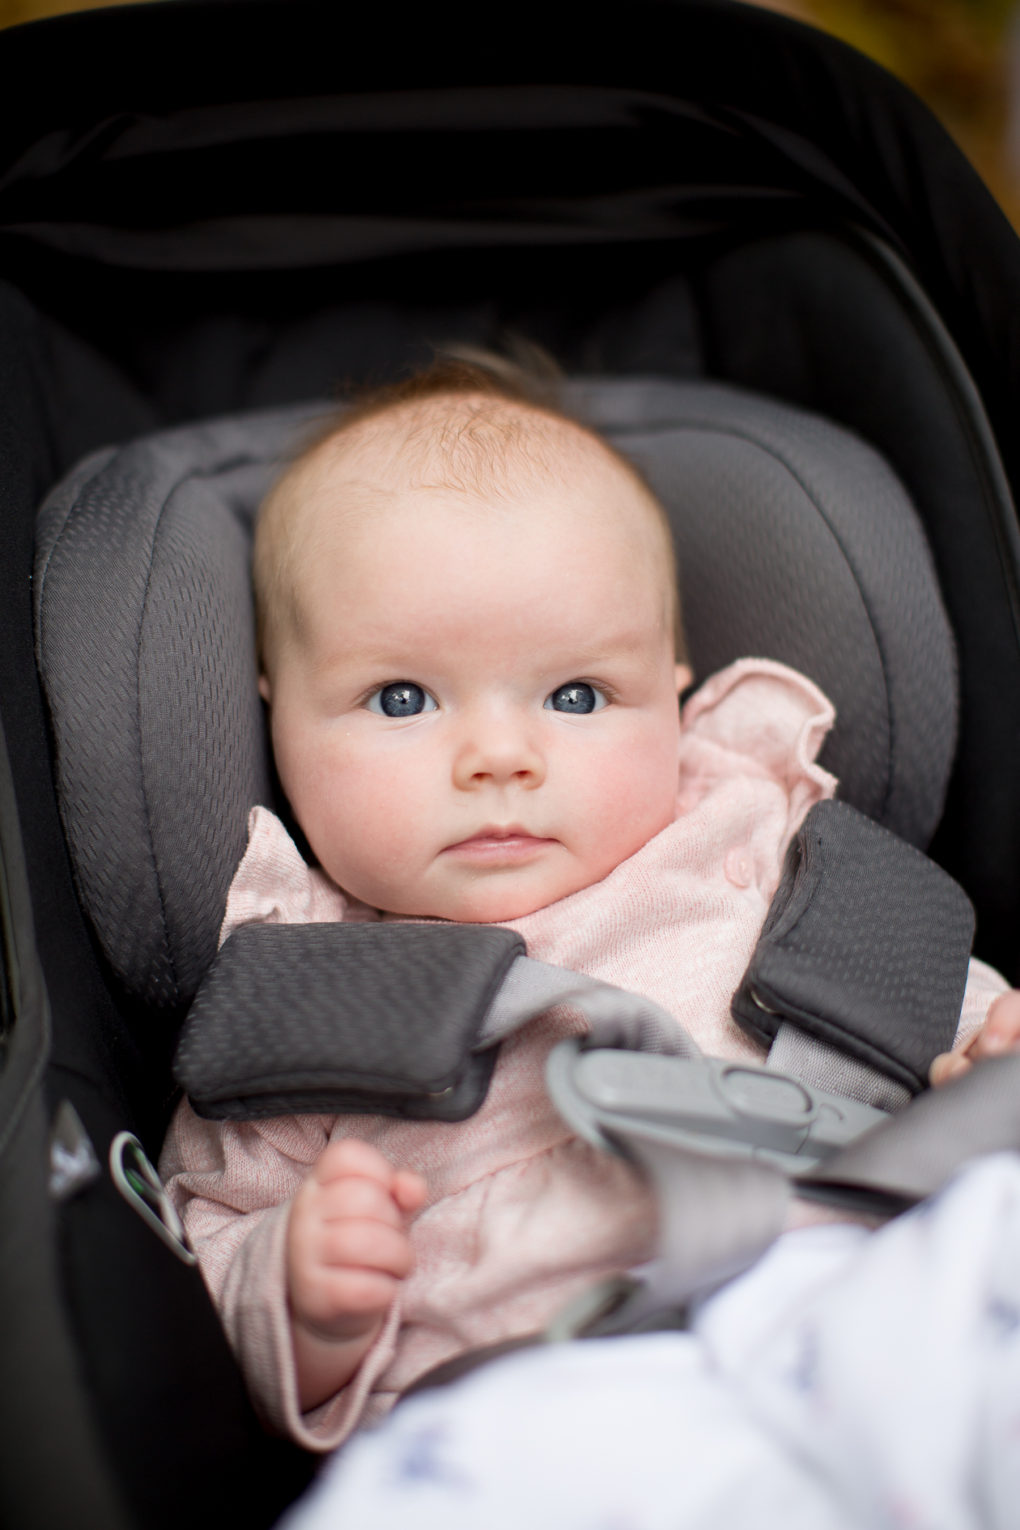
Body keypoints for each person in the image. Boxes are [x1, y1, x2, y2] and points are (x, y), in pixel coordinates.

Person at [159, 357, 1018, 1453]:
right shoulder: (302, 993)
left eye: (576, 695)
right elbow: (219, 1242)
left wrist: (984, 1075)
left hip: (888, 1319)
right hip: (551, 1417)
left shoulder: (759, 837)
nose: (501, 757)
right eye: (401, 697)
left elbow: (931, 1007)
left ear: (674, 690)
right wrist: (307, 1294)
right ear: (275, 710)